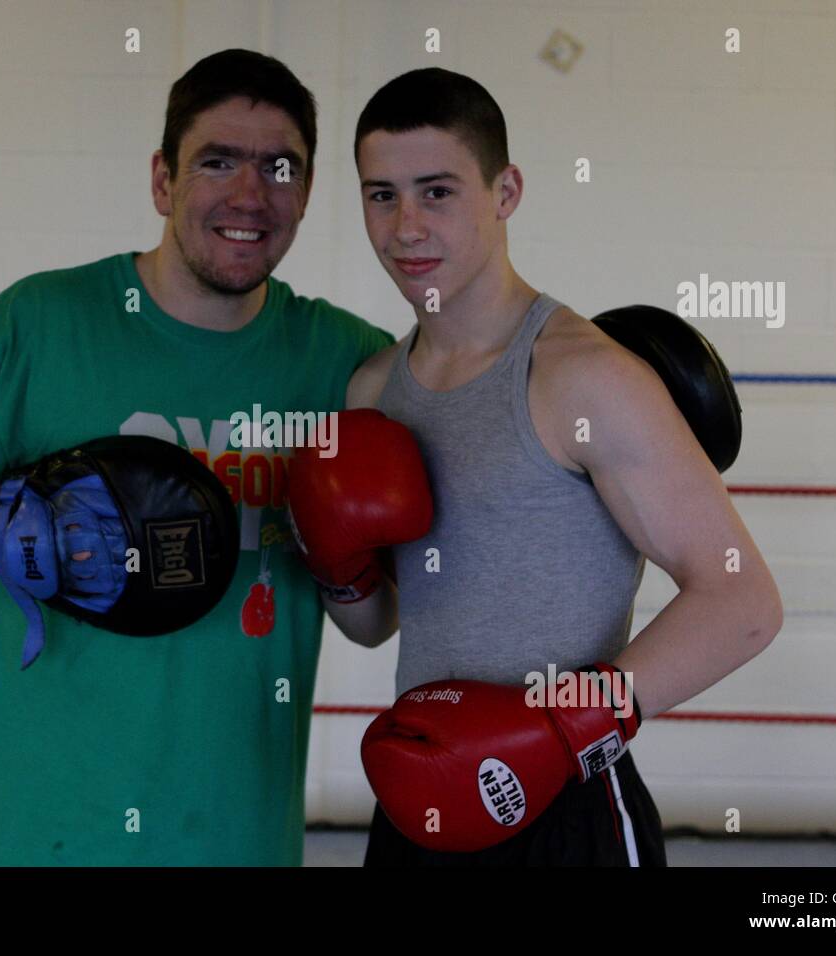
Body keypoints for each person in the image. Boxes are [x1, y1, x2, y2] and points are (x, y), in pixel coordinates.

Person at [0, 49, 392, 866]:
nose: (250, 195)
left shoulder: (350, 361)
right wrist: (24, 543)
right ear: (162, 182)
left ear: (307, 193)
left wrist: (344, 558)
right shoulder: (40, 322)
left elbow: (377, 620)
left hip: (237, 839)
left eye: (280, 168)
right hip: (40, 835)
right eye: (217, 162)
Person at [288, 68, 783, 866]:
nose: (406, 226)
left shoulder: (581, 375)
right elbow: (375, 624)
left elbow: (744, 600)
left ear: (506, 189)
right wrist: (336, 561)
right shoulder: (376, 388)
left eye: (438, 191)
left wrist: (565, 726)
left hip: (565, 804)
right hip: (418, 791)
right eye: (382, 195)